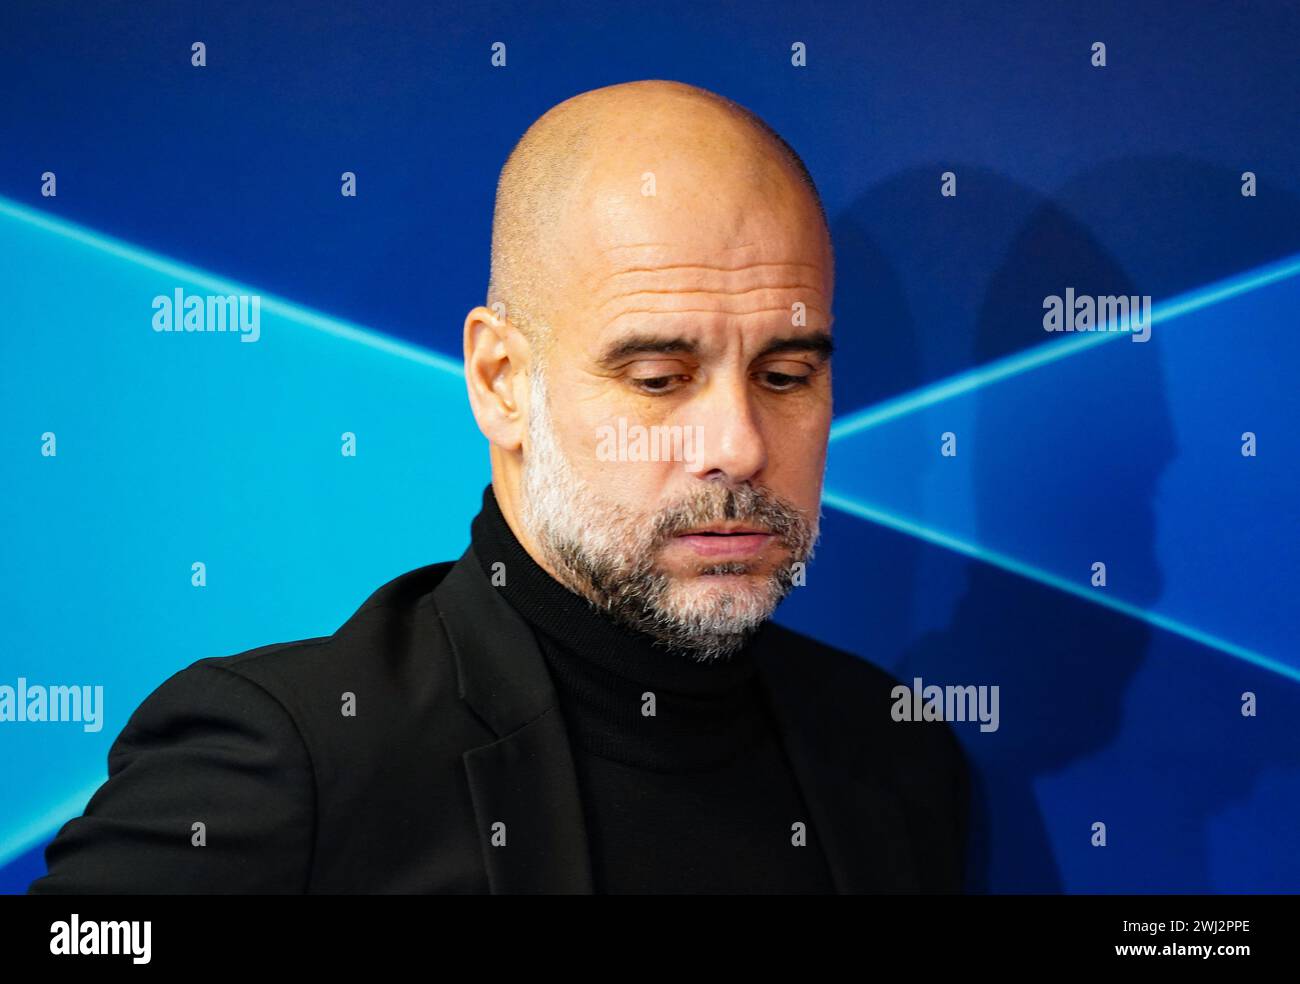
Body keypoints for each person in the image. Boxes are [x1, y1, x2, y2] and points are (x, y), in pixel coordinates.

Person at [28, 79, 968, 894]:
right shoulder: (284, 763)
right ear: (500, 383)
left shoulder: (893, 754)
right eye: (658, 379)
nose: (737, 444)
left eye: (785, 376)